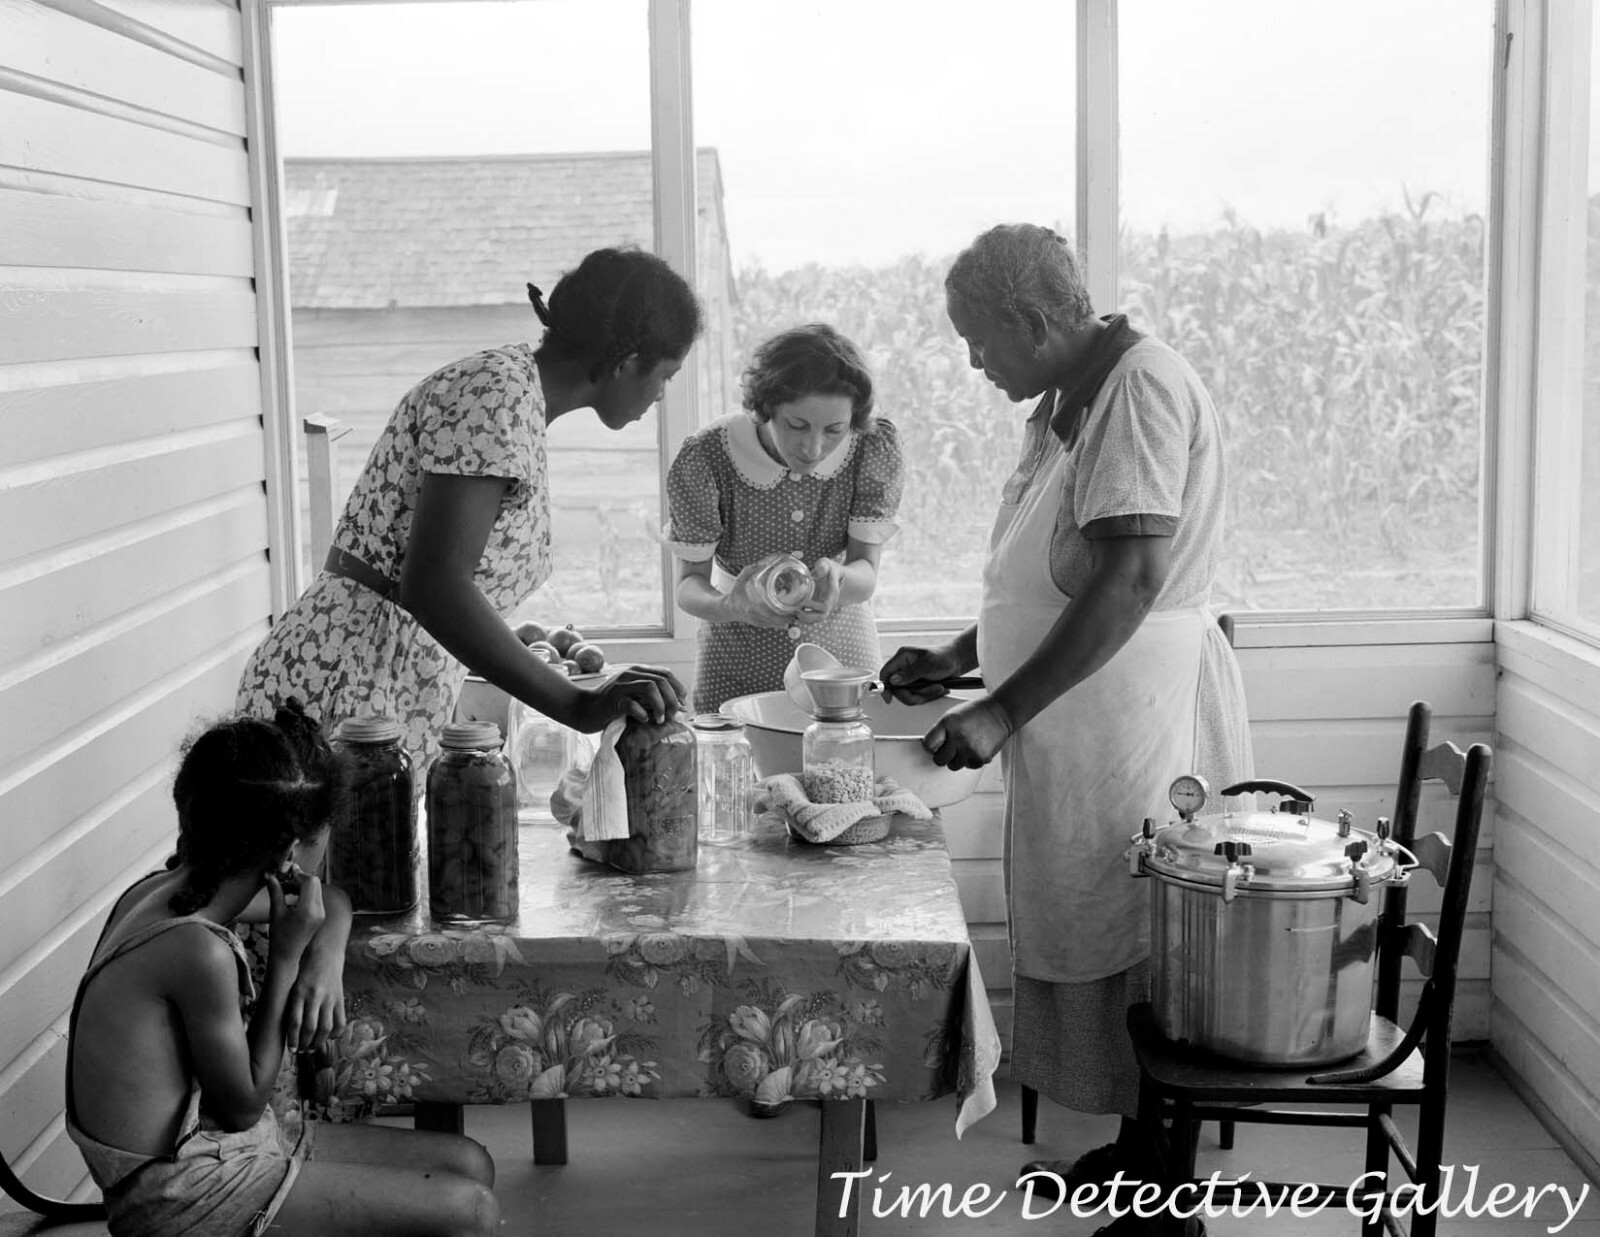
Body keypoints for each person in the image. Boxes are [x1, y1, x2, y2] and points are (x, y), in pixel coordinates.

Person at [880, 224, 1252, 1227]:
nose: (972, 360)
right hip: (1083, 709)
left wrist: (1000, 705)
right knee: (1106, 919)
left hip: (1131, 711)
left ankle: (1165, 1189)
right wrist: (961, 658)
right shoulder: (1072, 399)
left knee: (1143, 936)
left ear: (1033, 322)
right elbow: (1055, 574)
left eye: (977, 339)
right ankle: (1139, 1149)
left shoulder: (1139, 388)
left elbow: (1129, 576)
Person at [238, 245, 698, 775]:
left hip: (380, 684)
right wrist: (578, 703)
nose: (663, 394)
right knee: (310, 860)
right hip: (342, 683)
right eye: (665, 374)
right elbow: (434, 586)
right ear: (627, 362)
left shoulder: (516, 399)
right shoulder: (496, 394)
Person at [65, 702, 499, 1237]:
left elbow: (331, 900)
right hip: (183, 1197)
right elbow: (244, 1105)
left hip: (222, 1152)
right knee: (470, 1211)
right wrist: (290, 959)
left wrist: (326, 951)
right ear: (292, 853)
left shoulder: (164, 892)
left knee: (471, 1164)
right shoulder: (196, 951)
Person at [666, 323, 904, 713]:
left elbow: (866, 574)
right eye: (797, 425)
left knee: (843, 765)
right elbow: (689, 586)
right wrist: (732, 605)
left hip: (840, 665)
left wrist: (839, 579)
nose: (814, 448)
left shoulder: (872, 447)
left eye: (834, 430)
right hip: (734, 668)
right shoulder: (707, 457)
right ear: (766, 407)